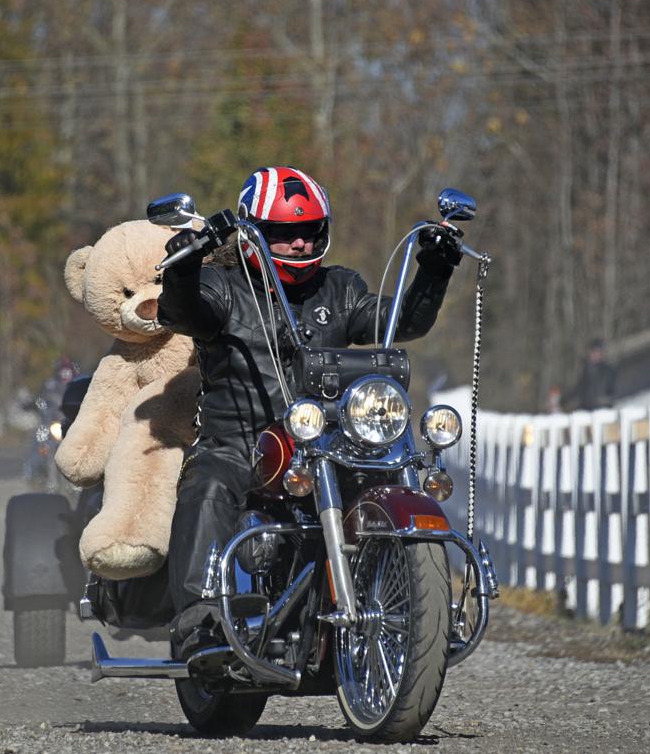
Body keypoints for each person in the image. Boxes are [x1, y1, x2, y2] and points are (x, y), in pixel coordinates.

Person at [156, 166, 463, 654]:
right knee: (207, 482)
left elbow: (398, 323)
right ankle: (200, 622)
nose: (299, 244)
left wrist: (435, 270)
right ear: (253, 231)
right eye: (284, 234)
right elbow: (184, 312)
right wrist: (183, 269)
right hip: (244, 443)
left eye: (309, 232)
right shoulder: (222, 284)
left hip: (330, 442)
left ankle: (416, 611)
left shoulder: (339, 288)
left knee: (393, 474)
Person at [571, 338, 616, 410]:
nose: (595, 354)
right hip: (586, 410)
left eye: (597, 351)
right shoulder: (585, 370)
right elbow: (576, 390)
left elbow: (612, 394)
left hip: (602, 411)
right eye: (593, 351)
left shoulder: (607, 371)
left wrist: (602, 401)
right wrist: (561, 401)